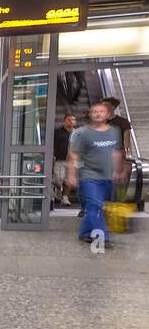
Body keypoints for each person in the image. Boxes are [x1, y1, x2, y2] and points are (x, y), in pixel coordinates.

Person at [68, 101, 126, 246]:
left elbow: (117, 152)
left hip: (107, 176)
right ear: (90, 115)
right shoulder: (84, 133)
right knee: (95, 205)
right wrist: (72, 175)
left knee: (94, 207)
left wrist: (119, 171)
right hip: (89, 176)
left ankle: (85, 233)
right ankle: (102, 237)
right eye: (94, 111)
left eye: (101, 111)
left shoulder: (114, 131)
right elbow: (74, 155)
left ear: (107, 114)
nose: (97, 114)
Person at [53, 114, 75, 207]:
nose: (71, 121)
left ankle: (65, 197)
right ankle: (58, 188)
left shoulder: (76, 133)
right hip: (60, 159)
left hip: (72, 161)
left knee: (68, 180)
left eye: (73, 120)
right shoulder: (58, 132)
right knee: (59, 178)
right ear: (65, 121)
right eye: (69, 120)